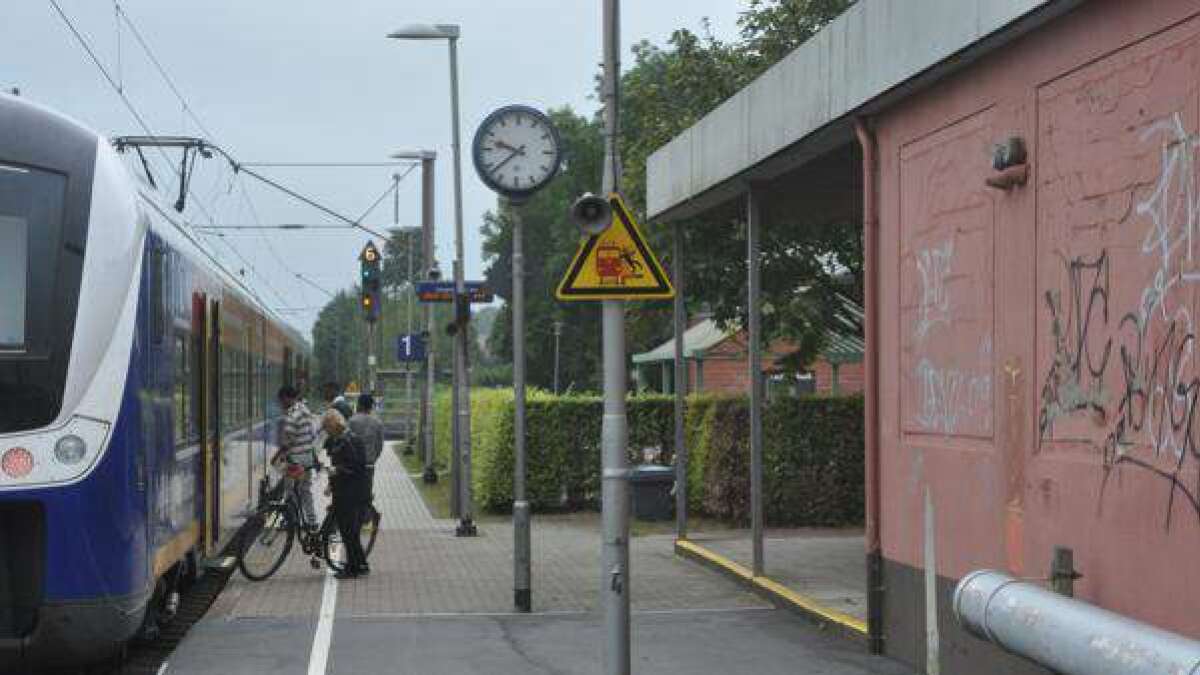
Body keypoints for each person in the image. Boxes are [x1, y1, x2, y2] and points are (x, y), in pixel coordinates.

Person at [321, 409, 371, 578]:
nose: (326, 431)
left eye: (327, 427)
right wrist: (331, 483)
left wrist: (337, 471)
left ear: (334, 425)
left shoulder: (349, 441)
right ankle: (361, 564)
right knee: (350, 531)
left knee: (348, 531)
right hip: (343, 490)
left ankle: (352, 568)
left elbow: (357, 466)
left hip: (351, 492)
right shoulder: (340, 439)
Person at [272, 385, 318, 530]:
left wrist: (276, 456)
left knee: (290, 490)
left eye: (281, 400)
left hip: (295, 461)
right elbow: (313, 435)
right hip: (307, 458)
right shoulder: (305, 410)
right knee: (305, 490)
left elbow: (287, 441)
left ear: (286, 398)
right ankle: (312, 521)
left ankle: (291, 520)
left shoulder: (293, 414)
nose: (281, 404)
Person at [349, 394, 385, 498]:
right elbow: (379, 446)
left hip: (353, 465)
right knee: (367, 494)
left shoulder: (352, 421)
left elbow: (348, 442)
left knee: (353, 494)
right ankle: (366, 512)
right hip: (369, 464)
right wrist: (373, 457)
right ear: (371, 406)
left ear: (359, 405)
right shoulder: (377, 423)